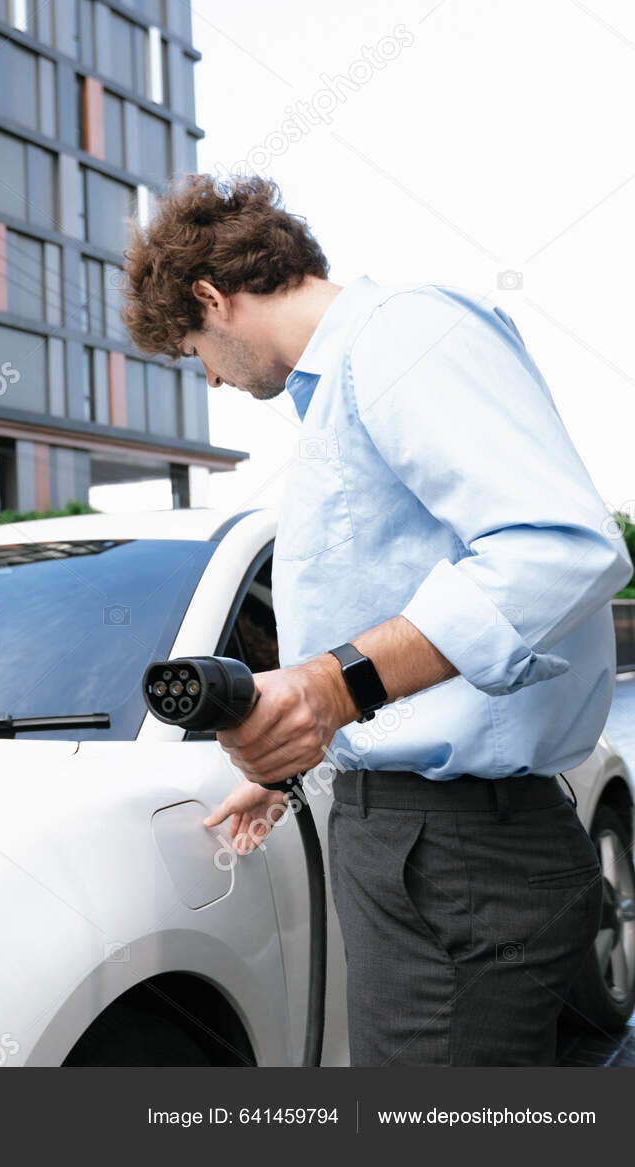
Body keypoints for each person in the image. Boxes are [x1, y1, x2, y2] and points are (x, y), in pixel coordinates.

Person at [121, 173, 631, 1065]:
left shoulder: (402, 336)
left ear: (213, 296)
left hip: (456, 856)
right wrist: (311, 750)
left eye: (193, 348)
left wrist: (326, 688)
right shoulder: (344, 391)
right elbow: (408, 625)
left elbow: (560, 548)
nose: (207, 374)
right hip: (434, 846)